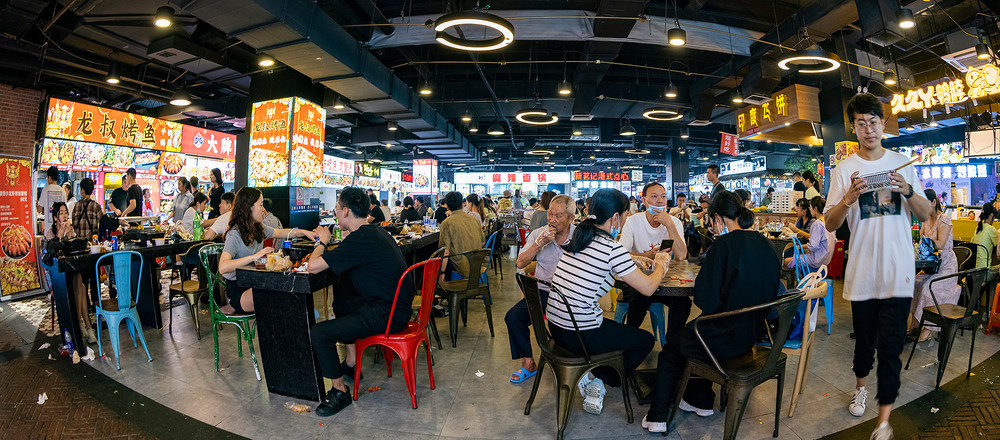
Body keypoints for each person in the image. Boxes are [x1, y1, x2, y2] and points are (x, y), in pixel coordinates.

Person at [824, 93, 932, 440]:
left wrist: (908, 189)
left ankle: (884, 420)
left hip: (898, 270)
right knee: (864, 343)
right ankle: (860, 387)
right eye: (860, 122)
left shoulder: (903, 163)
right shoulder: (844, 169)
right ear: (853, 127)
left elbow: (925, 214)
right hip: (862, 271)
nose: (868, 128)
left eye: (873, 121)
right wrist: (848, 198)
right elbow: (829, 223)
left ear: (882, 123)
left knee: (891, 347)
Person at [642, 191, 781, 433]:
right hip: (751, 336)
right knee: (694, 335)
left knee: (671, 351)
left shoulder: (723, 246)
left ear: (718, 219)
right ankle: (700, 400)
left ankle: (657, 417)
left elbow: (707, 301)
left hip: (721, 338)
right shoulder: (768, 246)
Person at [549, 188, 666, 415]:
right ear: (615, 217)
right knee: (644, 340)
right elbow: (649, 288)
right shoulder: (612, 248)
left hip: (556, 327)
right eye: (625, 215)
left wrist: (634, 260)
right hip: (581, 334)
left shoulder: (579, 237)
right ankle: (595, 377)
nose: (625, 220)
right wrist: (661, 263)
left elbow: (600, 263)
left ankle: (595, 377)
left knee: (621, 332)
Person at [306, 187, 413, 417]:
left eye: (336, 209)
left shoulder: (358, 240)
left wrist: (322, 242)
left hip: (387, 313)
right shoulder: (375, 232)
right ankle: (352, 365)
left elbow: (312, 266)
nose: (335, 214)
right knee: (342, 299)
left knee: (320, 333)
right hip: (397, 305)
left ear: (345, 211)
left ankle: (339, 391)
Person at [506, 195, 576, 383]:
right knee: (513, 317)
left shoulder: (581, 236)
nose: (552, 220)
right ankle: (528, 363)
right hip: (544, 292)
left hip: (572, 294)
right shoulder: (538, 234)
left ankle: (576, 363)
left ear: (571, 218)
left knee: (565, 326)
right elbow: (520, 262)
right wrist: (539, 244)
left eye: (559, 216)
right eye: (550, 214)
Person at [218, 187, 316, 314]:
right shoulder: (234, 234)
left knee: (284, 289)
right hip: (238, 289)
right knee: (276, 294)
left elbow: (281, 232)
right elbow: (223, 267)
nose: (263, 209)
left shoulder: (258, 228)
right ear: (249, 207)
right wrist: (254, 257)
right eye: (261, 204)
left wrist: (304, 232)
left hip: (256, 282)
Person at [620, 182, 689, 341]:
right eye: (654, 196)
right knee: (639, 300)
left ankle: (672, 347)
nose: (660, 201)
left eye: (663, 197)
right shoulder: (633, 221)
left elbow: (681, 256)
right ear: (644, 200)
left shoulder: (674, 222)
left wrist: (670, 225)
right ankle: (628, 342)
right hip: (639, 278)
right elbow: (621, 253)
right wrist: (646, 255)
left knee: (683, 302)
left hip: (668, 281)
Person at [910, 189, 960, 343]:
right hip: (931, 265)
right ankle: (915, 324)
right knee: (914, 283)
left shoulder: (943, 219)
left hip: (946, 268)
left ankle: (929, 328)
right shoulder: (925, 219)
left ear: (933, 202)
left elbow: (940, 243)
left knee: (927, 288)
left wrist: (922, 242)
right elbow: (921, 241)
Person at [46, 202, 97, 344]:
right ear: (55, 217)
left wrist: (70, 235)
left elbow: (73, 252)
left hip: (71, 272)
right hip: (58, 277)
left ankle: (81, 324)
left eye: (65, 213)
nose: (64, 216)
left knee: (80, 282)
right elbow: (52, 257)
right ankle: (85, 326)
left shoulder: (70, 229)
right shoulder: (50, 233)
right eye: (61, 213)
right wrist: (61, 236)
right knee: (80, 285)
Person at [438, 191, 484, 278]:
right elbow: (482, 241)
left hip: (460, 266)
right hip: (476, 264)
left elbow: (445, 251)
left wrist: (442, 273)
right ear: (462, 204)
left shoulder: (447, 223)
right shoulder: (474, 220)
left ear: (447, 205)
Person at [783, 197, 835, 272]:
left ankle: (802, 280)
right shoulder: (828, 222)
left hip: (816, 260)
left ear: (815, 209)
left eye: (810, 208)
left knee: (786, 261)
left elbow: (813, 246)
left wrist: (800, 247)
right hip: (825, 259)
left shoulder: (817, 224)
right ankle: (802, 279)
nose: (809, 210)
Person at [37, 166, 65, 231]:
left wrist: (37, 205)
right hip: (60, 228)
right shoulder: (62, 191)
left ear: (49, 177)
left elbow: (39, 210)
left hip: (48, 228)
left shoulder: (45, 190)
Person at [972, 202, 999, 269]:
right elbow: (998, 244)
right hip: (985, 269)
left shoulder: (977, 228)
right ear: (991, 215)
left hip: (974, 268)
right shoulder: (991, 229)